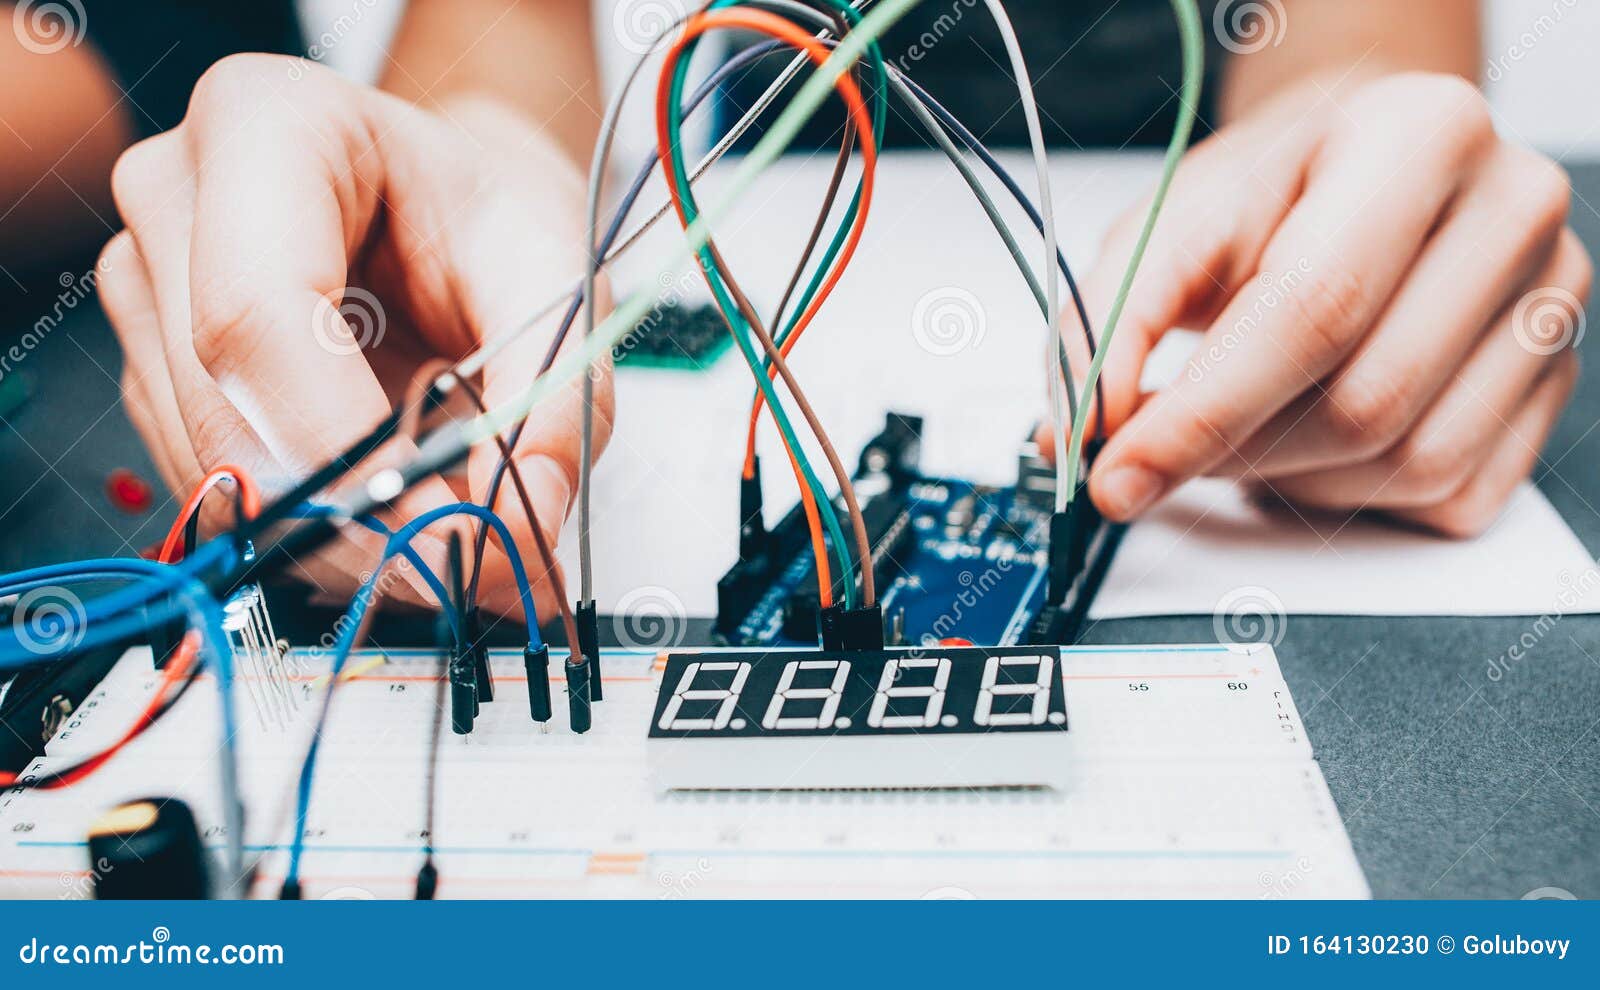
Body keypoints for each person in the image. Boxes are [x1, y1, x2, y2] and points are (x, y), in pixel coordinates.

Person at [7, 0, 1587, 614]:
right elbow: (502, 41)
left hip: (1164, 266)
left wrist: (1362, 176)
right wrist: (457, 168)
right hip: (761, 203)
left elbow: (1363, 43)